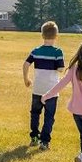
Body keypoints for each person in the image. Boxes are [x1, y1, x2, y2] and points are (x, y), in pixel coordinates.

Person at [22, 20, 65, 150]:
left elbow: (26, 64)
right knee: (49, 116)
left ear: (42, 35)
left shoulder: (36, 51)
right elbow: (61, 69)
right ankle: (44, 142)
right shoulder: (58, 52)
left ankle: (34, 137)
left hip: (37, 89)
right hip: (52, 91)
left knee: (35, 113)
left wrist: (26, 79)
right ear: (56, 36)